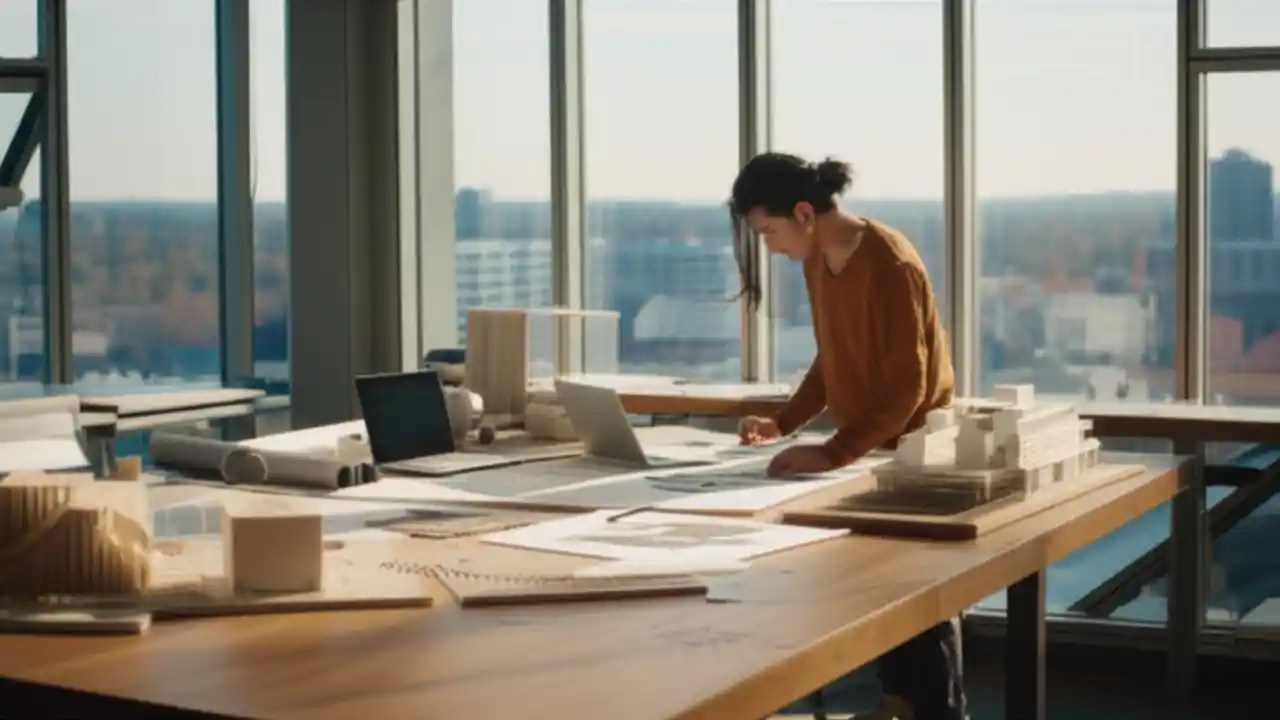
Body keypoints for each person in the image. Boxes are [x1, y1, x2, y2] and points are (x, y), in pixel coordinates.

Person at [729, 152, 965, 720]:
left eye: (769, 231)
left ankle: (930, 709)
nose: (769, 247)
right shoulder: (819, 262)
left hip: (914, 447)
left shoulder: (889, 263)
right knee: (877, 581)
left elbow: (907, 389)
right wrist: (783, 423)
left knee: (916, 589)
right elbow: (831, 359)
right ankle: (897, 700)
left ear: (804, 213)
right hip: (869, 446)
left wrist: (833, 452)